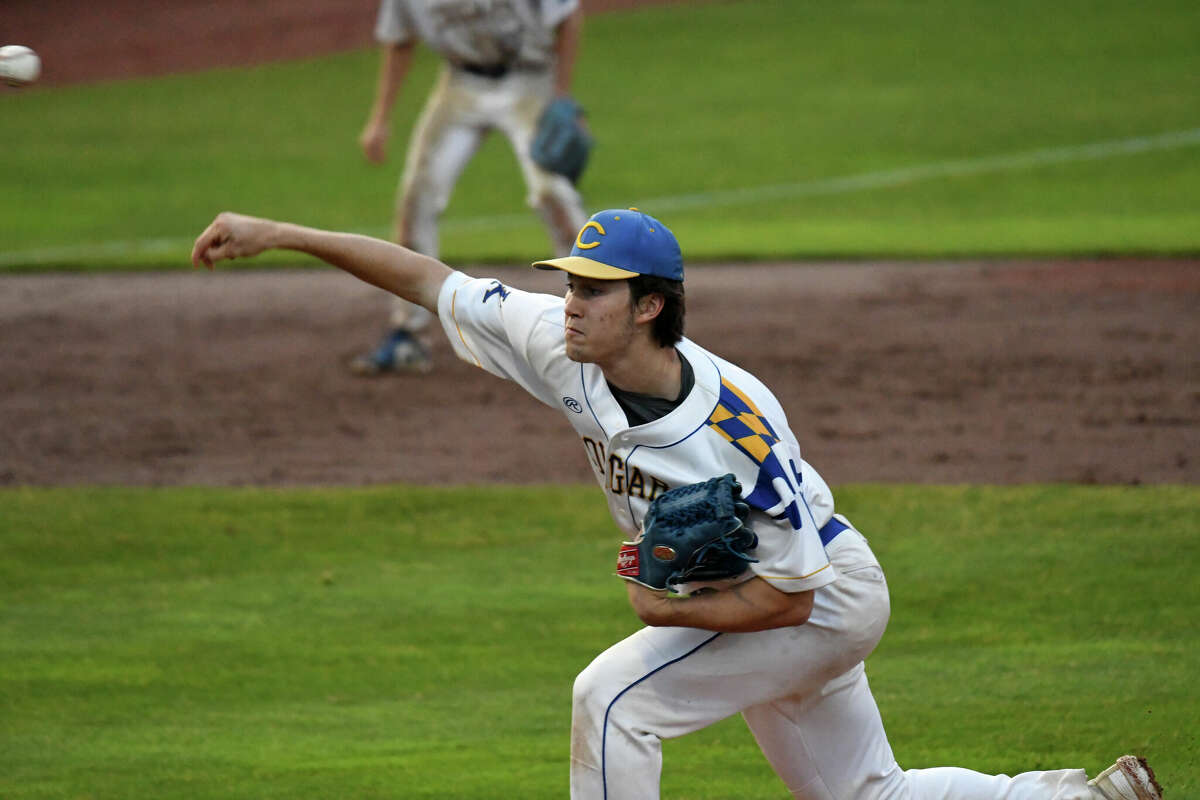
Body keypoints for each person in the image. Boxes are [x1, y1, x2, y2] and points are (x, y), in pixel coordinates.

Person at [191, 208, 1163, 800]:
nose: (570, 303)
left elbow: (792, 595)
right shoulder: (557, 344)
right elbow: (428, 279)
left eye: (594, 291)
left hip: (821, 595)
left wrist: (670, 610)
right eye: (569, 284)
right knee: (867, 792)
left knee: (613, 698)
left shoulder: (735, 422)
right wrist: (281, 234)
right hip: (771, 593)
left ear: (649, 305)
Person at [351, 0, 590, 375]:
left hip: (530, 81)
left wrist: (561, 95)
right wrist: (380, 118)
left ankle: (599, 313)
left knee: (553, 194)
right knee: (416, 199)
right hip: (460, 86)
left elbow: (568, 16)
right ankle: (407, 335)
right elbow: (399, 41)